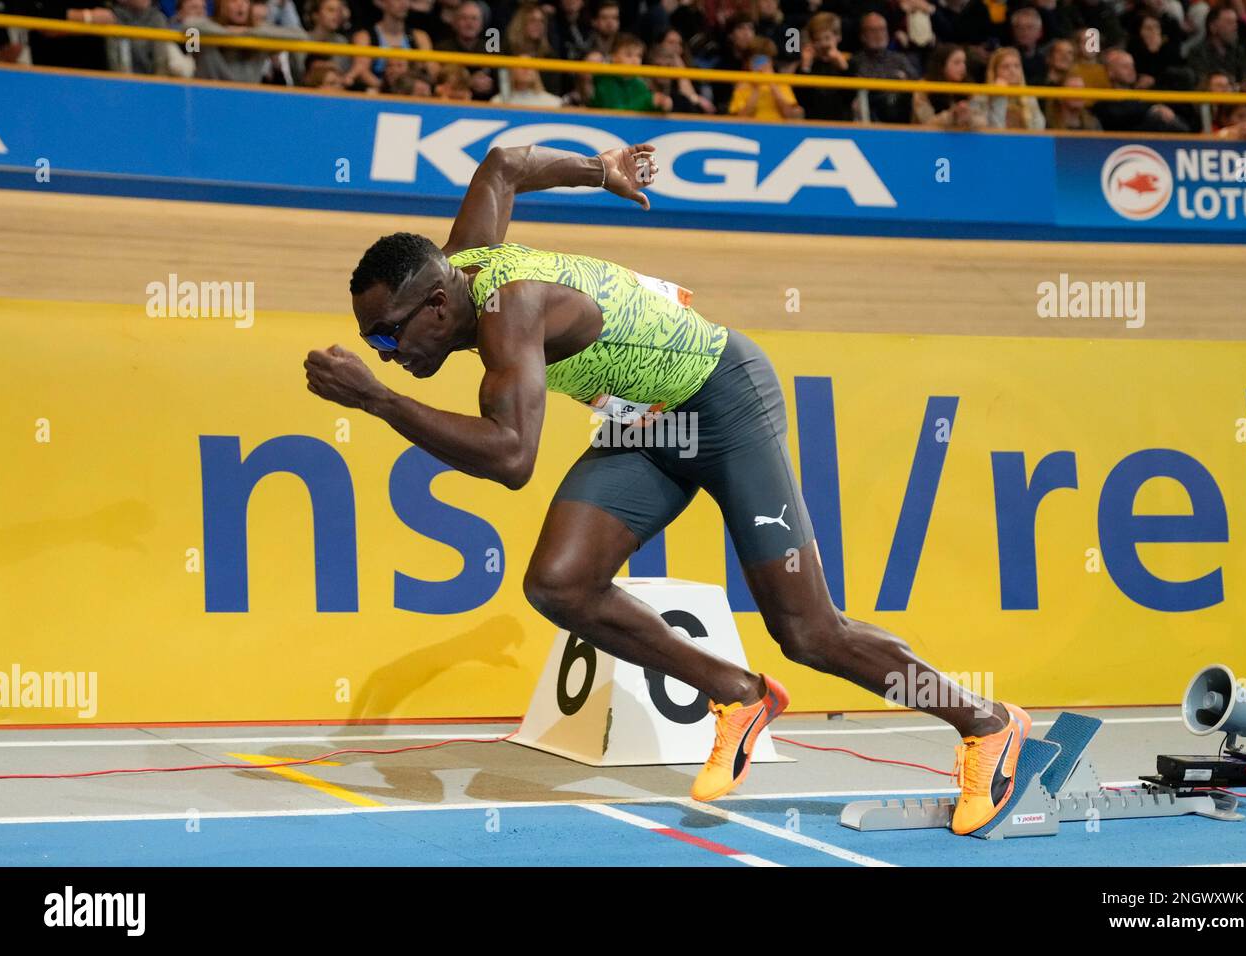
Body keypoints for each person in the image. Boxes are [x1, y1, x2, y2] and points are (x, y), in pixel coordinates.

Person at [303, 142, 1032, 832]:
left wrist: (377, 400)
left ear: (436, 304)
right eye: (374, 345)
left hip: (726, 402)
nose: (387, 355)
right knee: (560, 582)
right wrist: (600, 169)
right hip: (649, 427)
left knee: (809, 632)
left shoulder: (508, 309)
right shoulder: (458, 265)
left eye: (388, 337)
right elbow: (501, 167)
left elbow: (511, 457)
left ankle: (985, 722)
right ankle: (738, 694)